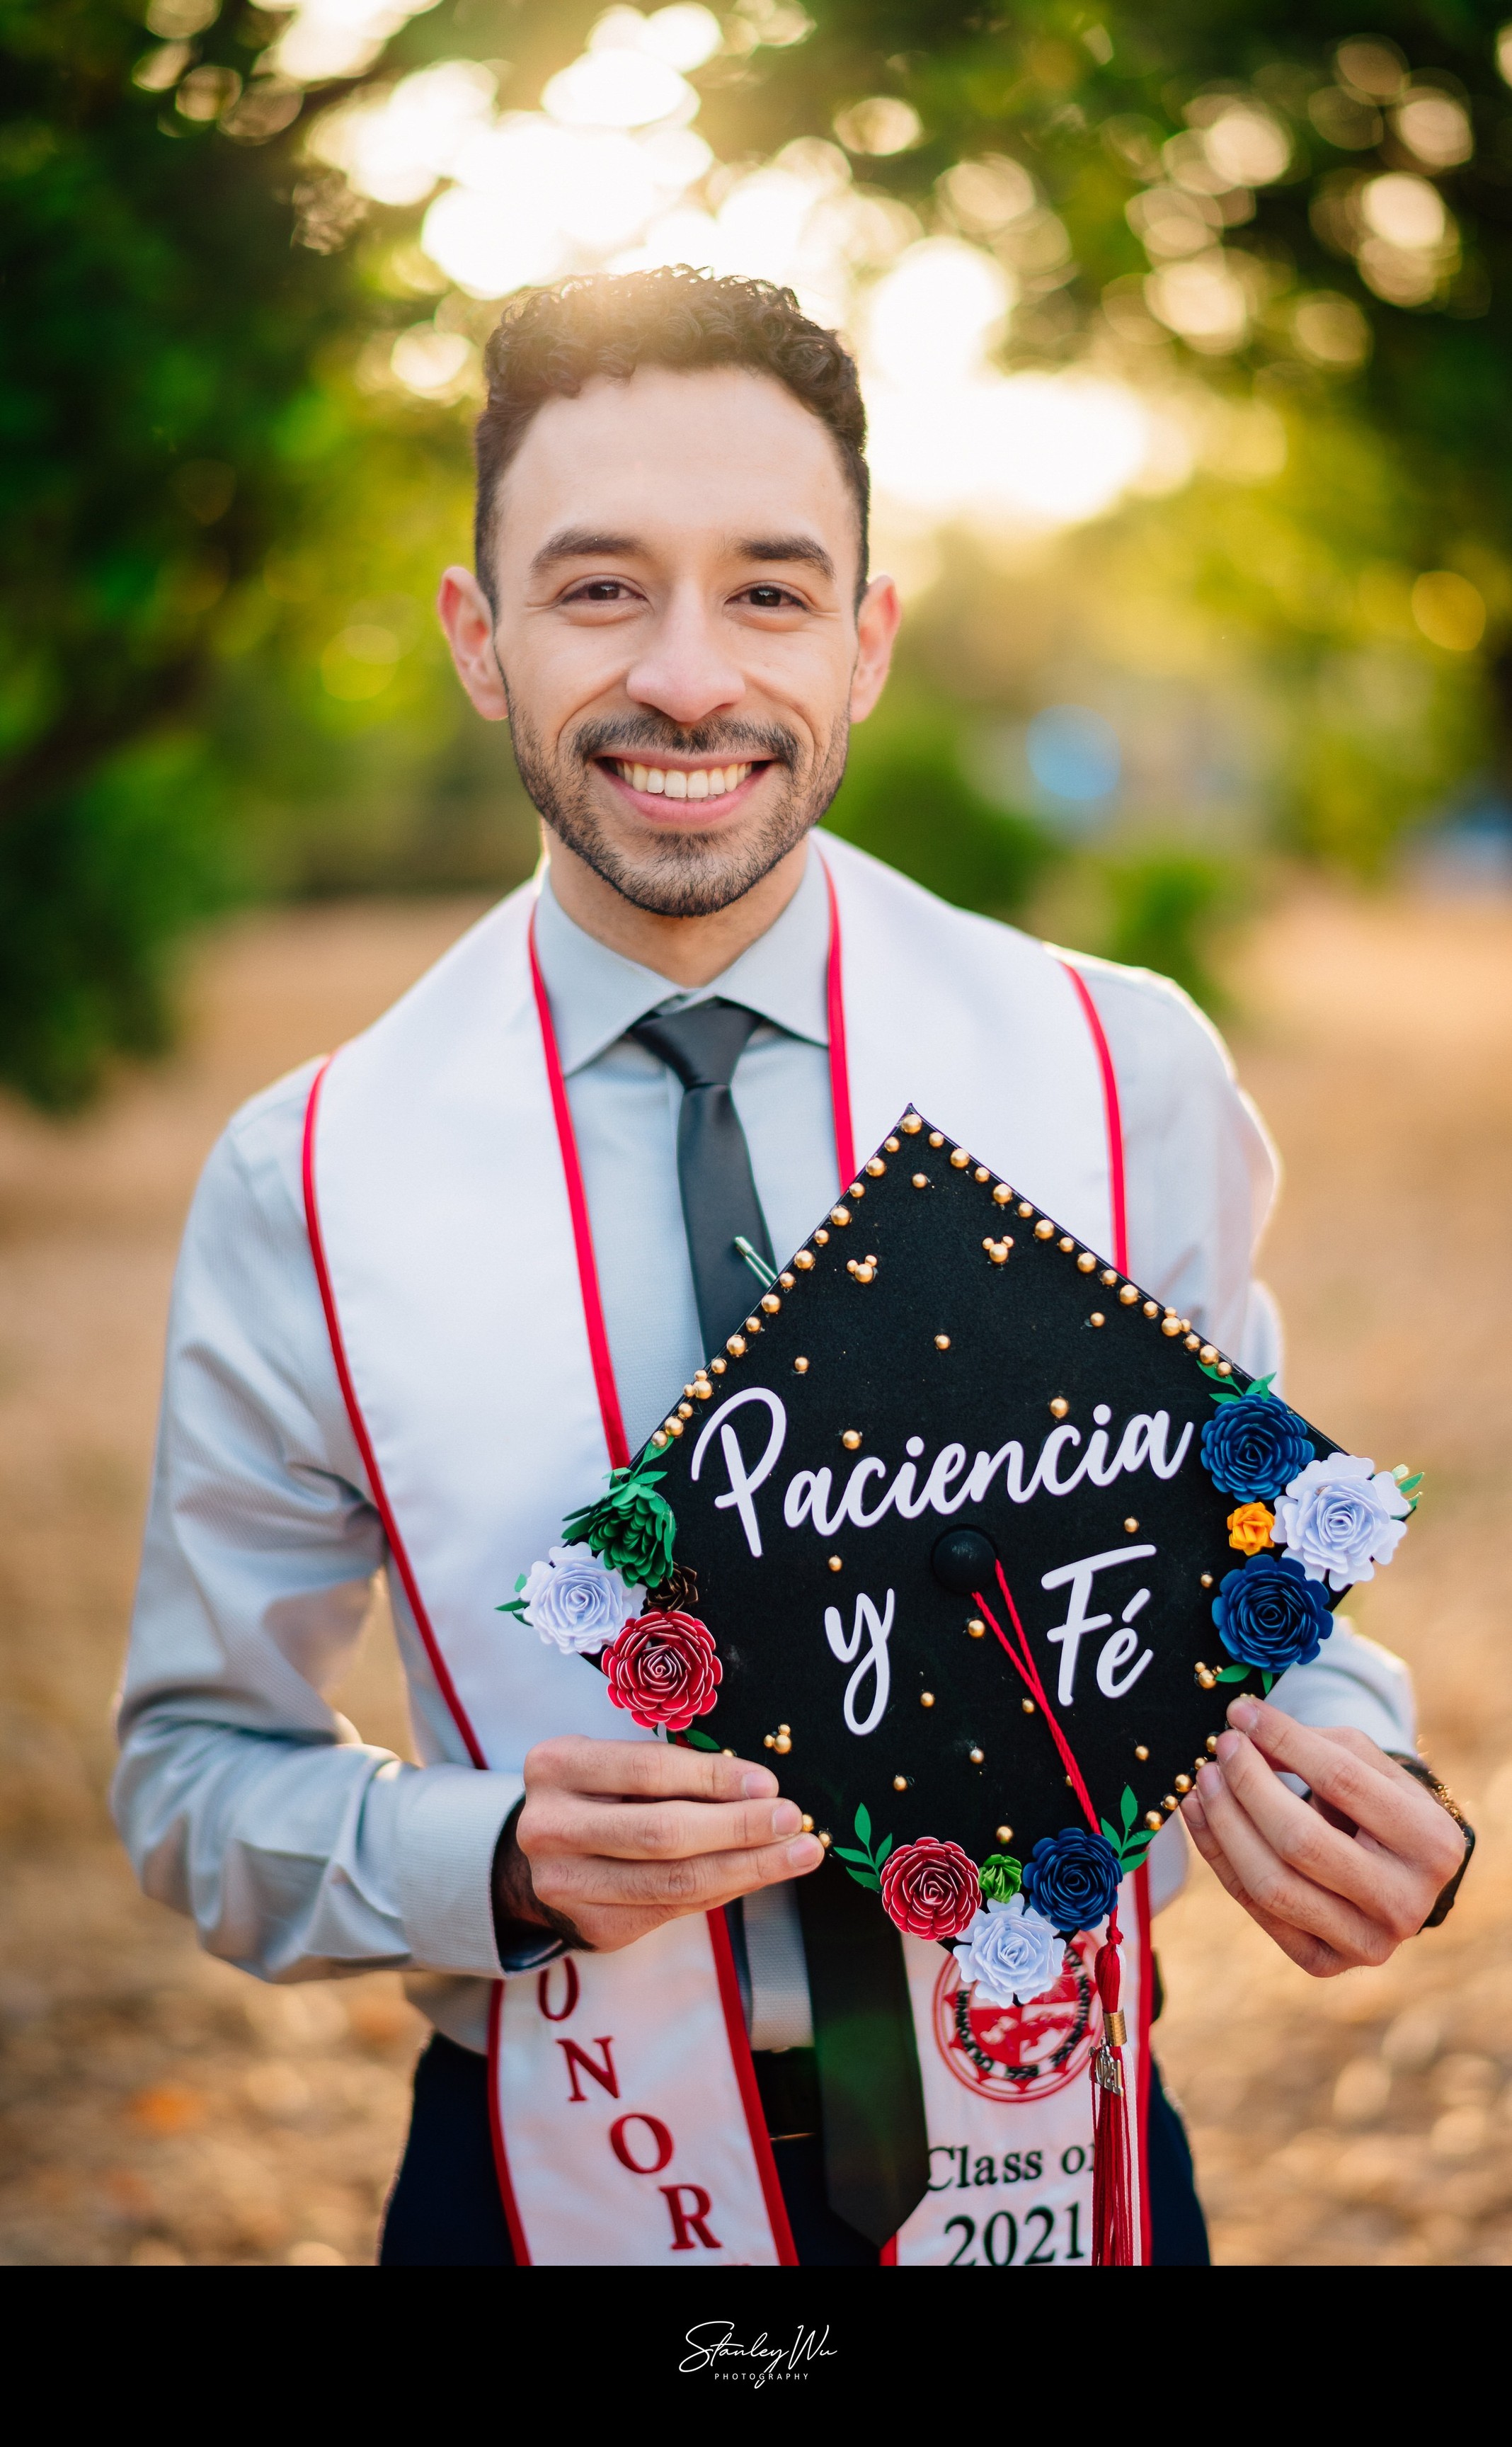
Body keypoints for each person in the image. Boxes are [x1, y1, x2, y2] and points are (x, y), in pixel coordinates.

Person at [114, 269, 1468, 2269]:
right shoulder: (308, 1177)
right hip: (543, 2189)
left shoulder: (1120, 1071)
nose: (686, 675)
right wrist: (477, 1853)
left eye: (767, 589)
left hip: (1075, 2165)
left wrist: (1356, 1773)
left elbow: (1241, 1592)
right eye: (597, 590)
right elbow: (189, 1764)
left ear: (867, 639)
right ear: (477, 642)